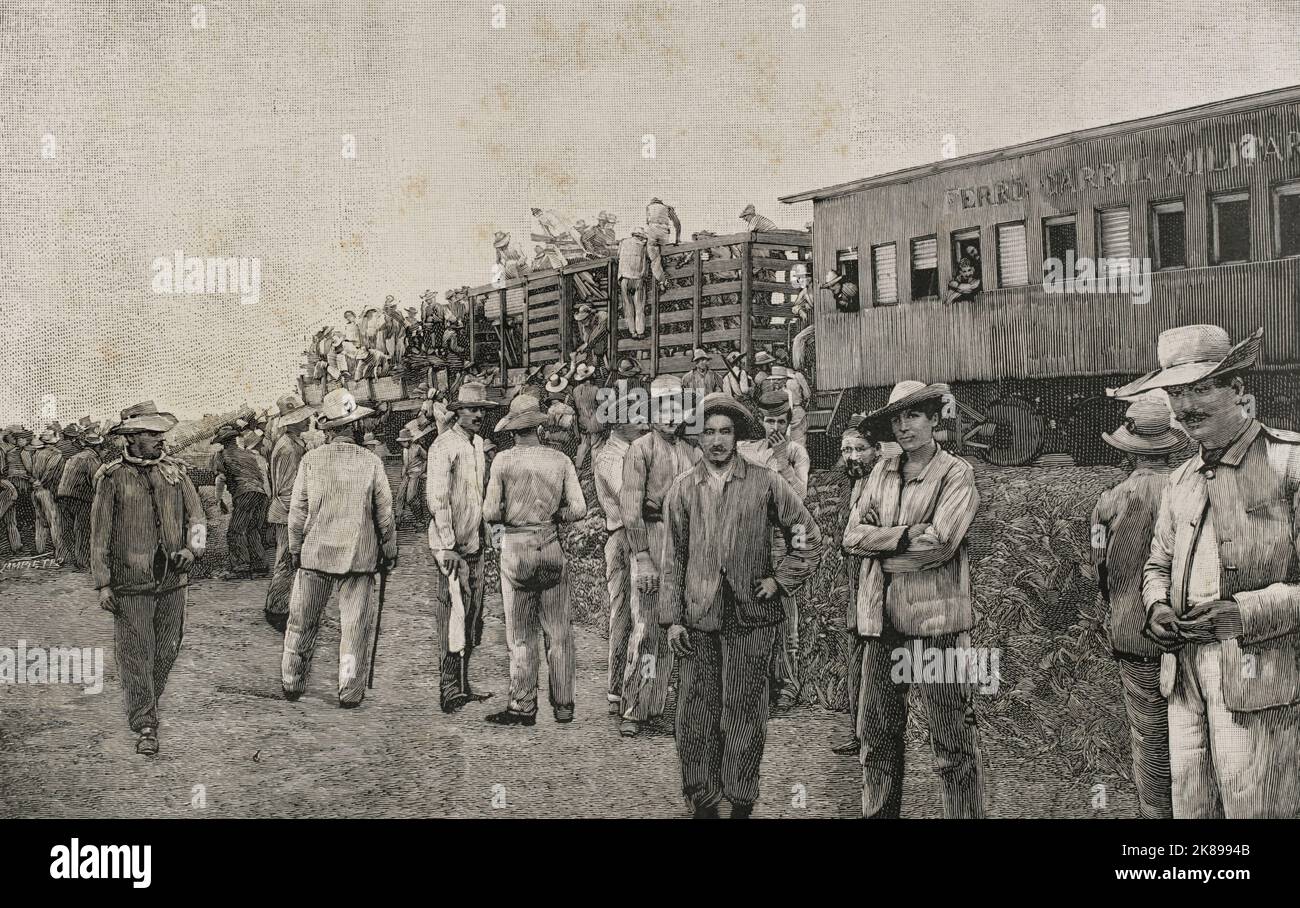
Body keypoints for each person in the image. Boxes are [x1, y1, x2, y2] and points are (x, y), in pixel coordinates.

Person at [1130, 325, 1300, 818]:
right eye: (1175, 393)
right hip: (1183, 683)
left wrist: (1244, 613)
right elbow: (1157, 563)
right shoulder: (1180, 478)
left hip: (1263, 687)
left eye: (1201, 389)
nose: (1185, 407)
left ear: (1239, 390)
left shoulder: (1289, 463)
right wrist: (1158, 606)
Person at [660, 392, 823, 818]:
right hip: (698, 616)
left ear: (737, 437)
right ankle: (704, 799)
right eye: (708, 432)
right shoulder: (681, 489)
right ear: (697, 439)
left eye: (725, 432)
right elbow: (673, 559)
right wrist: (673, 620)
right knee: (695, 714)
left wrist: (781, 580)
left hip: (751, 616)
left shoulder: (765, 481)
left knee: (746, 712)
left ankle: (741, 798)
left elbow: (805, 534)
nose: (716, 441)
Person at [843, 380, 984, 819]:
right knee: (877, 737)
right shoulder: (881, 471)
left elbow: (942, 544)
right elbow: (851, 535)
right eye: (898, 418)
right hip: (881, 622)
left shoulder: (956, 473)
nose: (904, 426)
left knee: (950, 741)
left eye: (914, 416)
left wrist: (881, 552)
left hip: (934, 623)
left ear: (933, 419)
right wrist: (904, 536)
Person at [90, 403, 206, 756]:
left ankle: (146, 703)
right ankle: (145, 723)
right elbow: (99, 535)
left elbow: (198, 519)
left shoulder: (176, 473)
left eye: (160, 433)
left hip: (172, 580)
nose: (159, 440)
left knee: (168, 648)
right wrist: (103, 582)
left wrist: (193, 550)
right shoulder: (110, 478)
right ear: (131, 438)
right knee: (135, 654)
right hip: (129, 584)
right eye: (151, 434)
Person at [1090, 396, 1186, 818]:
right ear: (1170, 445)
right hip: (1185, 630)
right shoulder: (1189, 491)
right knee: (1192, 733)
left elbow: (1099, 568)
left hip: (1130, 630)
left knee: (1148, 736)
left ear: (1128, 449)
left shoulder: (1108, 502)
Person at [282, 389, 398, 708]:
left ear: (328, 429)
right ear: (355, 427)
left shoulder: (311, 460)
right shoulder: (372, 462)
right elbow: (385, 516)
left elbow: (298, 513)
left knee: (302, 621)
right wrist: (389, 551)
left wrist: (295, 549)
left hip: (315, 554)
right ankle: (349, 690)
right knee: (354, 627)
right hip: (358, 557)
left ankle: (292, 681)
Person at [482, 395, 587, 726]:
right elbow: (580, 509)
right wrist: (557, 515)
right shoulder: (559, 460)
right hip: (551, 543)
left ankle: (522, 705)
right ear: (539, 426)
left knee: (520, 633)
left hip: (516, 544)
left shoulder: (503, 461)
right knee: (558, 632)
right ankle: (564, 705)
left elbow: (490, 512)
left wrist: (499, 542)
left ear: (513, 430)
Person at [617, 375, 701, 737]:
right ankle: (638, 707)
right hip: (653, 537)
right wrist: (642, 557)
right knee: (649, 627)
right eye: (663, 408)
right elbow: (630, 508)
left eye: (676, 407)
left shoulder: (691, 450)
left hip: (687, 543)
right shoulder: (641, 449)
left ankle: (678, 707)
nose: (670, 415)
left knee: (684, 624)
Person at [425, 382, 500, 712]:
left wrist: (488, 533)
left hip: (475, 542)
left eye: (482, 410)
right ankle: (449, 687)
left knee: (472, 617)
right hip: (451, 547)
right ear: (457, 412)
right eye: (472, 409)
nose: (479, 415)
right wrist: (447, 543)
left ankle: (464, 683)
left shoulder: (478, 444)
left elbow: (478, 497)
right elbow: (437, 498)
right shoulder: (444, 445)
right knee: (453, 614)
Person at [739, 391, 812, 711]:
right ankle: (756, 682)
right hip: (751, 538)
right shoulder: (747, 450)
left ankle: (788, 683)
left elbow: (799, 497)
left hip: (782, 539)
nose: (776, 428)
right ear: (761, 420)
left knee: (785, 611)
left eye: (782, 421)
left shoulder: (796, 453)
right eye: (770, 421)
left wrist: (782, 458)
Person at [593, 393, 648, 716]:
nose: (641, 423)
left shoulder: (633, 450)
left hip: (639, 532)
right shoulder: (609, 457)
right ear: (618, 423)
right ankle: (617, 687)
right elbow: (630, 497)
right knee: (624, 613)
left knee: (643, 614)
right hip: (622, 535)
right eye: (635, 418)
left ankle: (639, 684)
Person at [830, 426, 883, 756]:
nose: (852, 456)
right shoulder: (852, 483)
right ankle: (858, 732)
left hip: (877, 582)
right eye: (847, 450)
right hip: (855, 583)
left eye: (859, 449)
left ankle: (875, 734)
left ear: (876, 449)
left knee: (875, 662)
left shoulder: (886, 482)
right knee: (856, 660)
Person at [264, 400, 315, 633]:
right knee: (286, 562)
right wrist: (299, 514)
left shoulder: (294, 443)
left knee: (291, 562)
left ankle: (286, 608)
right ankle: (277, 611)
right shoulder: (288, 448)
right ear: (291, 423)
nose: (307, 420)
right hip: (287, 513)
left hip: (289, 511)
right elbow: (287, 489)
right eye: (302, 418)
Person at [212, 425, 270, 581]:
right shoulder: (249, 454)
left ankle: (241, 568)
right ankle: (260, 566)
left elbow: (221, 478)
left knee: (236, 531)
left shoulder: (221, 455)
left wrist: (218, 500)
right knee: (252, 530)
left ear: (223, 442)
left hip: (244, 493)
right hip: (261, 494)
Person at [56, 425, 106, 570]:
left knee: (66, 529)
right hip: (80, 498)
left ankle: (65, 558)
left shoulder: (75, 457)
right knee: (82, 530)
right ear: (97, 446)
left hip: (63, 495)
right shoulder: (92, 459)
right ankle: (83, 562)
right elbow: (96, 480)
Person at [27, 428, 67, 563]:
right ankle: (59, 554)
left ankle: (40, 549)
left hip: (36, 490)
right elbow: (50, 473)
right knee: (54, 522)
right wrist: (42, 482)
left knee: (40, 520)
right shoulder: (56, 454)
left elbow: (32, 472)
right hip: (47, 490)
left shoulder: (37, 453)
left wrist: (35, 482)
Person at [567, 361, 602, 472]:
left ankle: (578, 468)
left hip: (581, 421)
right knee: (595, 446)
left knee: (583, 444)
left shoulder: (575, 391)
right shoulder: (596, 389)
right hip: (594, 421)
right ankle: (594, 470)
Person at [394, 425, 430, 527]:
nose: (402, 443)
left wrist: (423, 470)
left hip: (415, 474)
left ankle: (420, 519)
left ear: (409, 440)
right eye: (401, 441)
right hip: (407, 474)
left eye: (404, 441)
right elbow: (405, 463)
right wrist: (403, 471)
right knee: (399, 496)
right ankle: (398, 518)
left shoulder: (418, 448)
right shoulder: (404, 450)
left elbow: (426, 458)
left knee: (410, 497)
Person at [644, 196, 681, 291]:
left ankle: (662, 281)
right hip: (664, 232)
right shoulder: (667, 208)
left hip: (652, 231)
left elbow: (647, 222)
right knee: (666, 256)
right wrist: (677, 239)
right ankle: (670, 280)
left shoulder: (648, 207)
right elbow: (677, 223)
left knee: (654, 259)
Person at [618, 228, 648, 339]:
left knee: (628, 306)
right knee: (639, 306)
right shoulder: (643, 246)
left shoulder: (623, 243)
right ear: (640, 236)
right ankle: (640, 331)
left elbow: (618, 256)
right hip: (638, 279)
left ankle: (632, 332)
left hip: (625, 278)